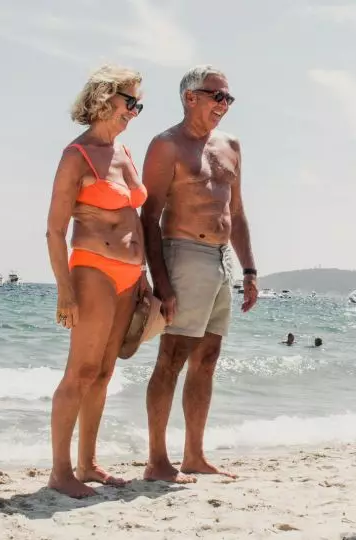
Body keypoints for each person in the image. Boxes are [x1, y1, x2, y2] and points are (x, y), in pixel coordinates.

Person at [140, 65, 259, 483]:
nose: (224, 105)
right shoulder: (166, 145)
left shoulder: (232, 146)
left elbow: (238, 212)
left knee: (207, 359)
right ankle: (157, 460)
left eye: (228, 98)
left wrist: (249, 269)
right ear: (191, 97)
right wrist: (161, 282)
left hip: (222, 259)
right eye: (217, 96)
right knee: (171, 357)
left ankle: (194, 455)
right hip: (183, 253)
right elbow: (149, 217)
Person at [45, 64, 147, 498]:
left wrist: (144, 277)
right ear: (104, 98)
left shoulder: (124, 153)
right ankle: (60, 471)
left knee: (104, 373)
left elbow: (134, 215)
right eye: (130, 102)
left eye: (139, 105)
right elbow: (54, 230)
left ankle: (88, 463)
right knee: (80, 372)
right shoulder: (77, 155)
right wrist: (65, 290)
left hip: (130, 277)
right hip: (93, 270)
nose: (134, 112)